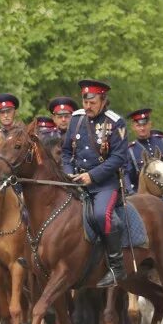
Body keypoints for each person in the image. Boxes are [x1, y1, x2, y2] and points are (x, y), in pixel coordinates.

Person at [61, 79, 129, 287]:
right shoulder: (76, 119)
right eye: (85, 101)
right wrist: (68, 173)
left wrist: (92, 176)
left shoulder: (115, 123)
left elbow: (119, 158)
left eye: (92, 102)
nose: (87, 106)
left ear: (103, 100)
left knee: (101, 215)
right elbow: (65, 152)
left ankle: (117, 267)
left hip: (104, 184)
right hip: (76, 182)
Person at [123, 108, 163, 204]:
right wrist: (131, 193)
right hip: (142, 197)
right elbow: (126, 174)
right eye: (138, 125)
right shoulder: (130, 150)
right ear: (133, 127)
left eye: (144, 124)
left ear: (150, 124)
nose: (142, 128)